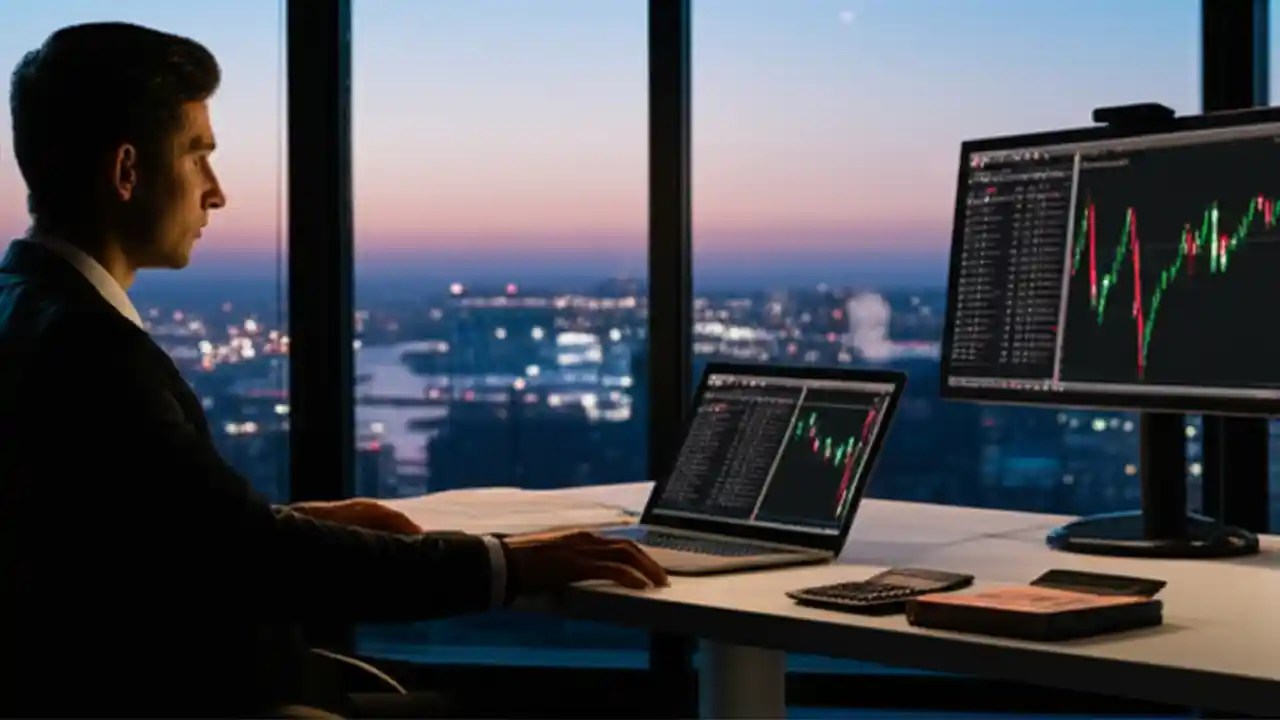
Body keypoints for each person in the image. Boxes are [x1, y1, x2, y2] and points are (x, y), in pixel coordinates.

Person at [0, 21, 667, 718]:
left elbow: (137, 531)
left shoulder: (25, 308)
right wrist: (508, 563)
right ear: (127, 171)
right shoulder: (92, 351)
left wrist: (297, 519)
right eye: (198, 155)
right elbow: (250, 562)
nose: (217, 191)